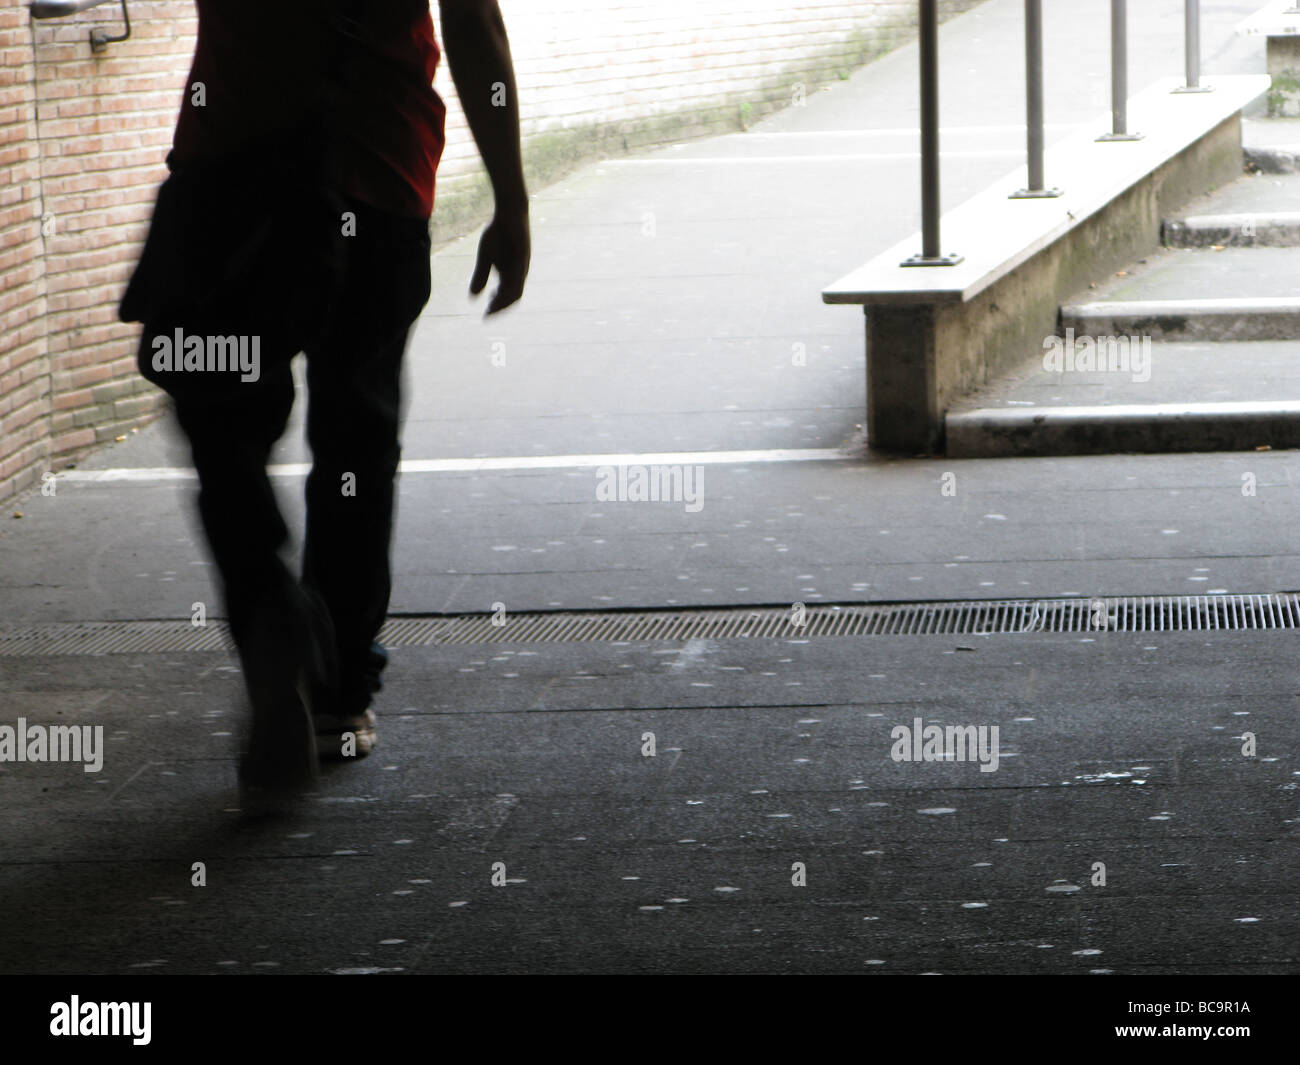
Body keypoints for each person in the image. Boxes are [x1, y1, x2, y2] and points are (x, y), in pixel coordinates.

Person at [122, 0, 530, 796]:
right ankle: (336, 698)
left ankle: (269, 605)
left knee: (221, 425)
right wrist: (510, 201)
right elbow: (473, 23)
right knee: (356, 443)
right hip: (378, 181)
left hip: (231, 193)